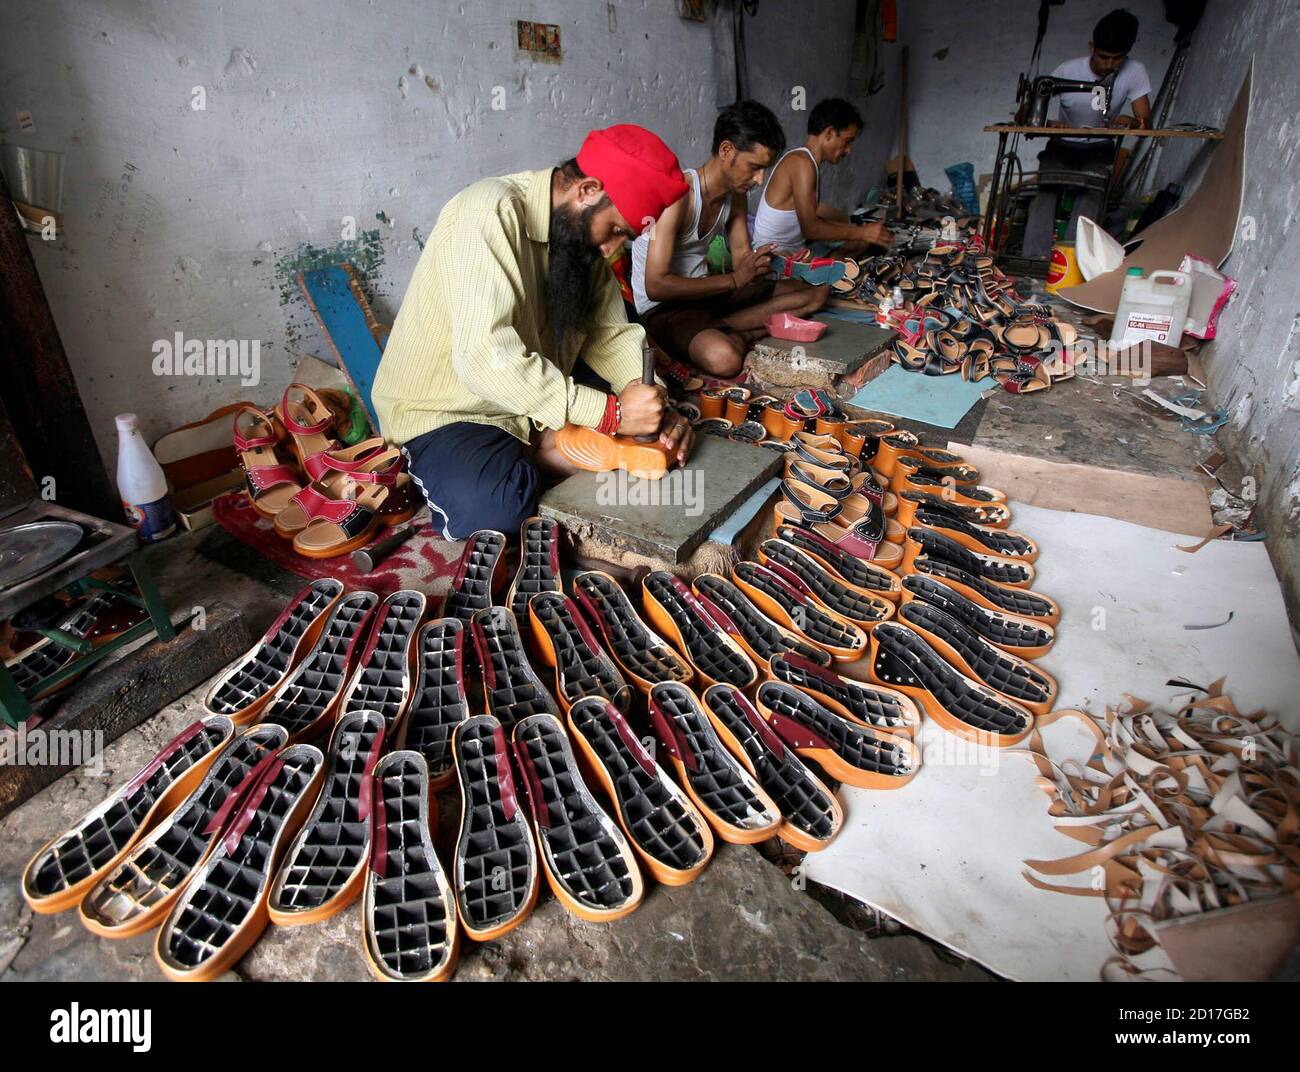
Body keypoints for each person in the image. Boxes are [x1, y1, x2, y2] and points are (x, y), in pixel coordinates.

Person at [371, 124, 695, 540]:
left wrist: (650, 400)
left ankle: (544, 444)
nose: (612, 249)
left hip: (530, 392)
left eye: (624, 238)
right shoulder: (489, 210)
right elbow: (484, 359)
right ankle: (545, 448)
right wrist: (611, 413)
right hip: (455, 407)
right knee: (494, 518)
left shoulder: (582, 239)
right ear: (587, 190)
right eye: (615, 230)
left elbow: (610, 333)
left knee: (640, 404)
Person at [630, 99, 827, 379]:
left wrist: (764, 263)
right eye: (754, 167)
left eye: (764, 170)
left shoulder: (736, 196)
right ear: (726, 150)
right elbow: (655, 285)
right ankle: (733, 331)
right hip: (664, 309)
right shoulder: (679, 195)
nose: (759, 180)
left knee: (815, 292)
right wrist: (735, 280)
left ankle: (727, 327)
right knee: (725, 360)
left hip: (707, 294)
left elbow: (742, 261)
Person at [1022, 7, 1152, 259]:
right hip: (1061, 146)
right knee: (1045, 195)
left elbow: (1145, 122)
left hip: (1100, 148)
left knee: (1091, 200)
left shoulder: (1135, 72)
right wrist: (1048, 125)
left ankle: (1072, 262)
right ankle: (1033, 261)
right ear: (1091, 46)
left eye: (1118, 59)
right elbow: (1025, 116)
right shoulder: (1066, 71)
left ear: (1127, 54)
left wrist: (1132, 122)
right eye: (1104, 57)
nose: (1110, 65)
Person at [751, 97, 890, 257]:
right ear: (829, 133)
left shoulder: (807, 162)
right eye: (847, 141)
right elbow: (811, 228)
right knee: (859, 243)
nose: (848, 150)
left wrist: (856, 226)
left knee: (859, 242)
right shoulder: (802, 163)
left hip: (793, 251)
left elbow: (816, 213)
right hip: (773, 256)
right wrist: (862, 232)